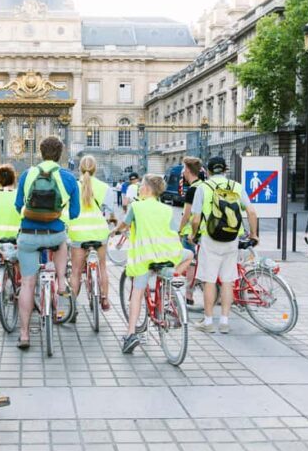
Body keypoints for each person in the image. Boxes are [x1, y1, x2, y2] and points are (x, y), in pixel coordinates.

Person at [112, 174, 192, 353]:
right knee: (189, 256)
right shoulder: (166, 209)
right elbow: (172, 232)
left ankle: (131, 333)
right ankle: (172, 279)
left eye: (141, 186)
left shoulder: (136, 206)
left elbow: (124, 225)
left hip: (145, 257)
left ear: (147, 189)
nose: (139, 188)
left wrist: (115, 231)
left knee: (137, 294)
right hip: (167, 254)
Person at [14, 136, 80, 350]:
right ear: (61, 154)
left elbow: (17, 207)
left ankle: (24, 334)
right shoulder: (68, 178)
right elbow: (76, 213)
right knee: (61, 243)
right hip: (54, 233)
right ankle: (61, 281)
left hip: (28, 234)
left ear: (40, 152)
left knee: (27, 283)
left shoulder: (27, 174)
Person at [189, 156, 258, 334]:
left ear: (207, 171)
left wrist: (192, 234)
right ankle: (225, 321)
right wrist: (254, 234)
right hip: (231, 238)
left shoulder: (203, 188)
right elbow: (251, 211)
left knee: (209, 281)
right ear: (225, 169)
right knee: (228, 280)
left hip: (209, 238)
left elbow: (196, 219)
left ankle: (209, 321)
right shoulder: (236, 187)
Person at [68, 155, 113, 312]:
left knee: (76, 271)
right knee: (102, 267)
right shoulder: (104, 187)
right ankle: (105, 299)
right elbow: (110, 211)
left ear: (79, 168)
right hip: (100, 233)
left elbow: (67, 210)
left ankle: (72, 308)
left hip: (78, 234)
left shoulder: (73, 186)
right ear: (95, 169)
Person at [177, 157, 204, 253]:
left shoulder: (192, 189)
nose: (183, 172)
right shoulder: (203, 185)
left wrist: (179, 231)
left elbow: (187, 215)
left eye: (184, 169)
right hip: (202, 231)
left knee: (186, 262)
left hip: (189, 232)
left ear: (188, 170)